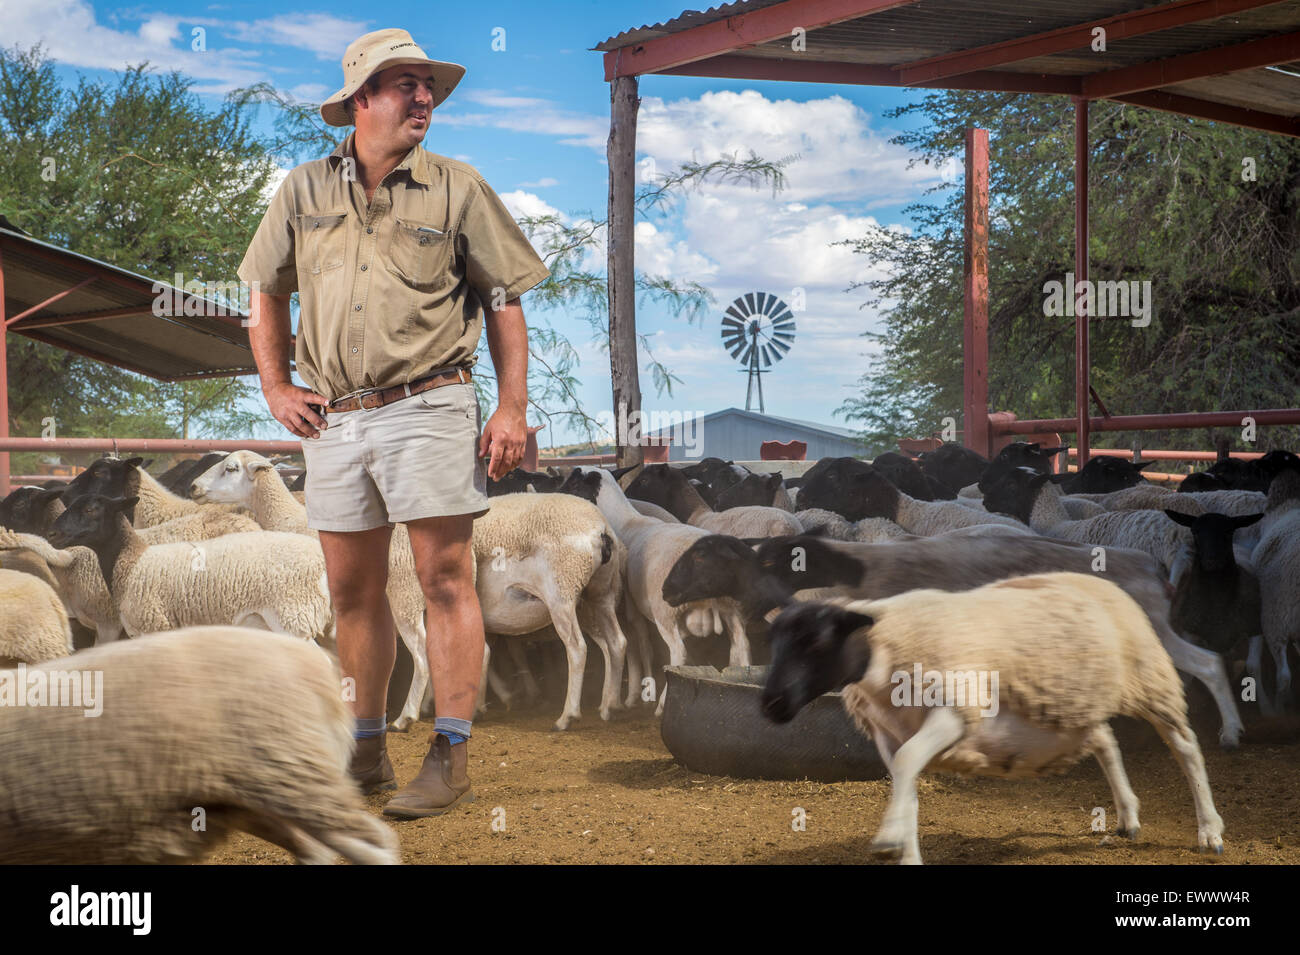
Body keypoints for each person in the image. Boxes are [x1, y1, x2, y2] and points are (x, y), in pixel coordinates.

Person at [238, 27, 549, 818]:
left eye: (427, 85)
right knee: (350, 589)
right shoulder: (302, 192)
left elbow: (506, 303)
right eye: (403, 84)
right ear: (360, 101)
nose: (423, 98)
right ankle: (364, 750)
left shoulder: (458, 187)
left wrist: (511, 407)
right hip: (335, 417)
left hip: (432, 401)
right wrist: (276, 386)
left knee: (444, 577)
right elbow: (263, 294)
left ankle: (450, 753)